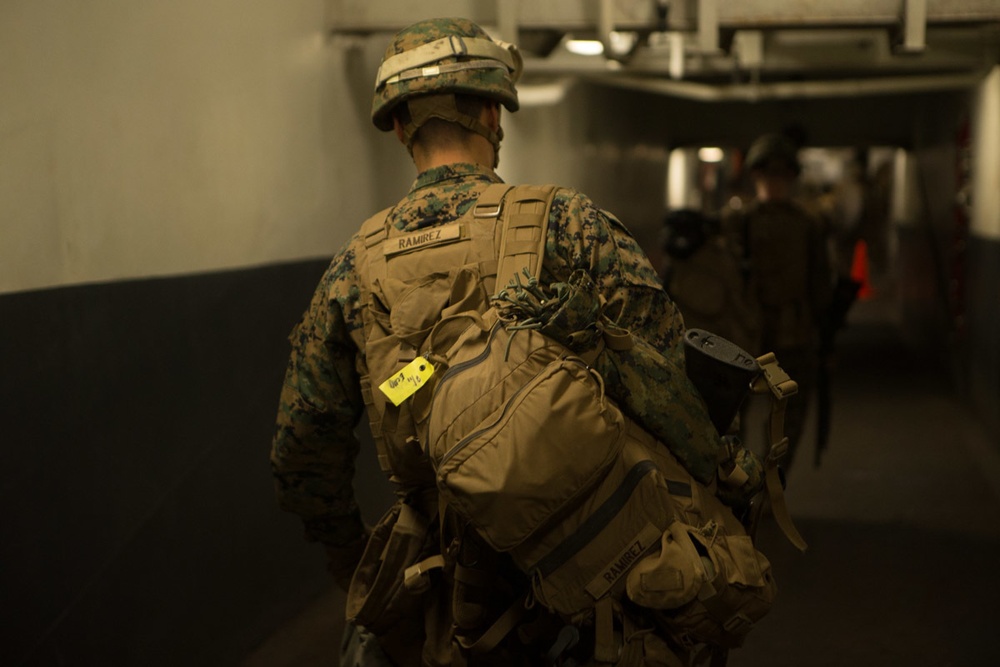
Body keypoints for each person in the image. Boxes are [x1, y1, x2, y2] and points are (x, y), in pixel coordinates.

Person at [270, 18, 686, 666]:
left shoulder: (354, 266)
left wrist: (358, 561)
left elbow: (299, 454)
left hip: (430, 589)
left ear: (401, 127)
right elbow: (669, 380)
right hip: (581, 575)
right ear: (494, 114)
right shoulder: (569, 223)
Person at [720, 133, 834, 475]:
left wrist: (822, 334)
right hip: (748, 331)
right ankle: (744, 480)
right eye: (767, 175)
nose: (774, 183)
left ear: (791, 178)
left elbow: (820, 281)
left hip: (793, 333)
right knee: (736, 415)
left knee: (789, 414)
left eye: (781, 176)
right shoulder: (739, 221)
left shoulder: (807, 224)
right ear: (756, 177)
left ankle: (773, 481)